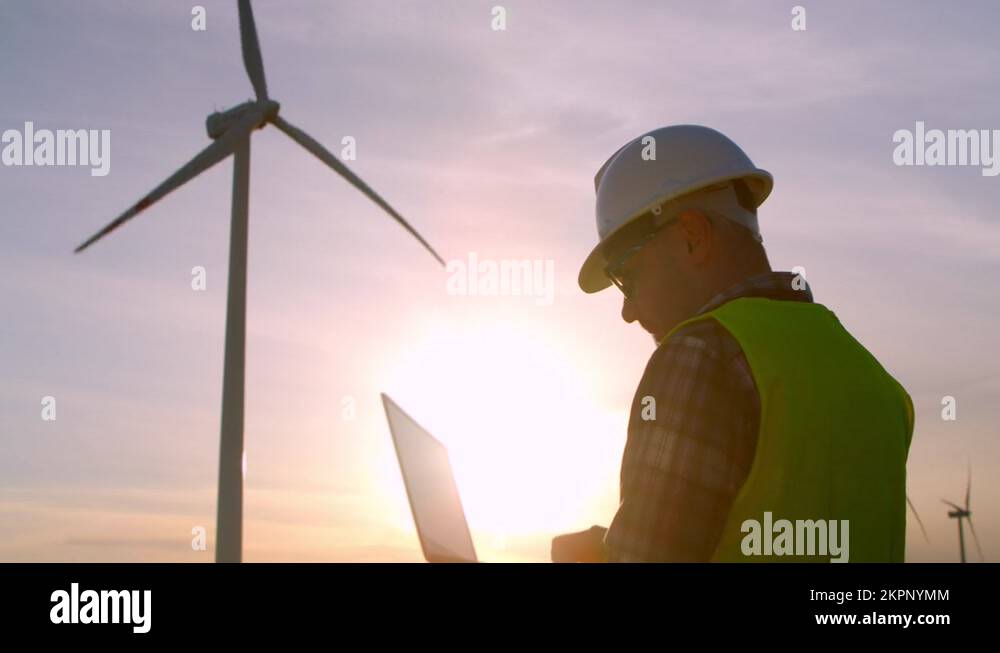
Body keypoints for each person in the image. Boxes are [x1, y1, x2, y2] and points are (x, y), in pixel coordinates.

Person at [552, 125, 914, 562]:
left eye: (626, 278)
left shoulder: (703, 353)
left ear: (692, 235)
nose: (627, 311)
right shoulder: (877, 382)